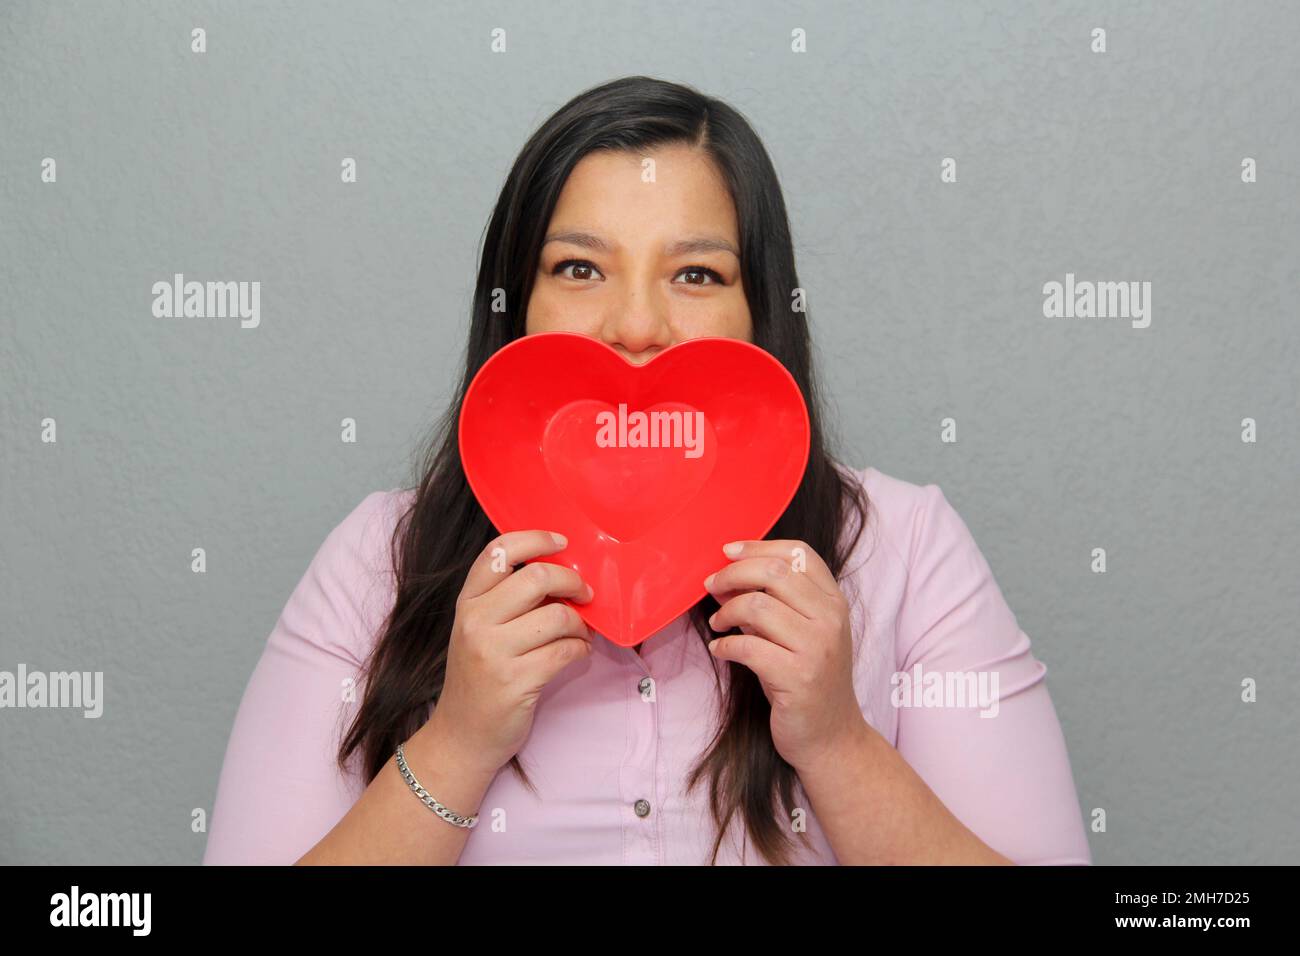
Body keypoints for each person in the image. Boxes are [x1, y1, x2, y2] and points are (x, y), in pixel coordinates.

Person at [202, 75, 1091, 866]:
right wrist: (458, 743)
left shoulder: (906, 548)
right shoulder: (377, 562)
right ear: (515, 308)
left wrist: (836, 742)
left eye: (697, 274)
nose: (635, 327)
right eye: (579, 267)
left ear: (760, 312)